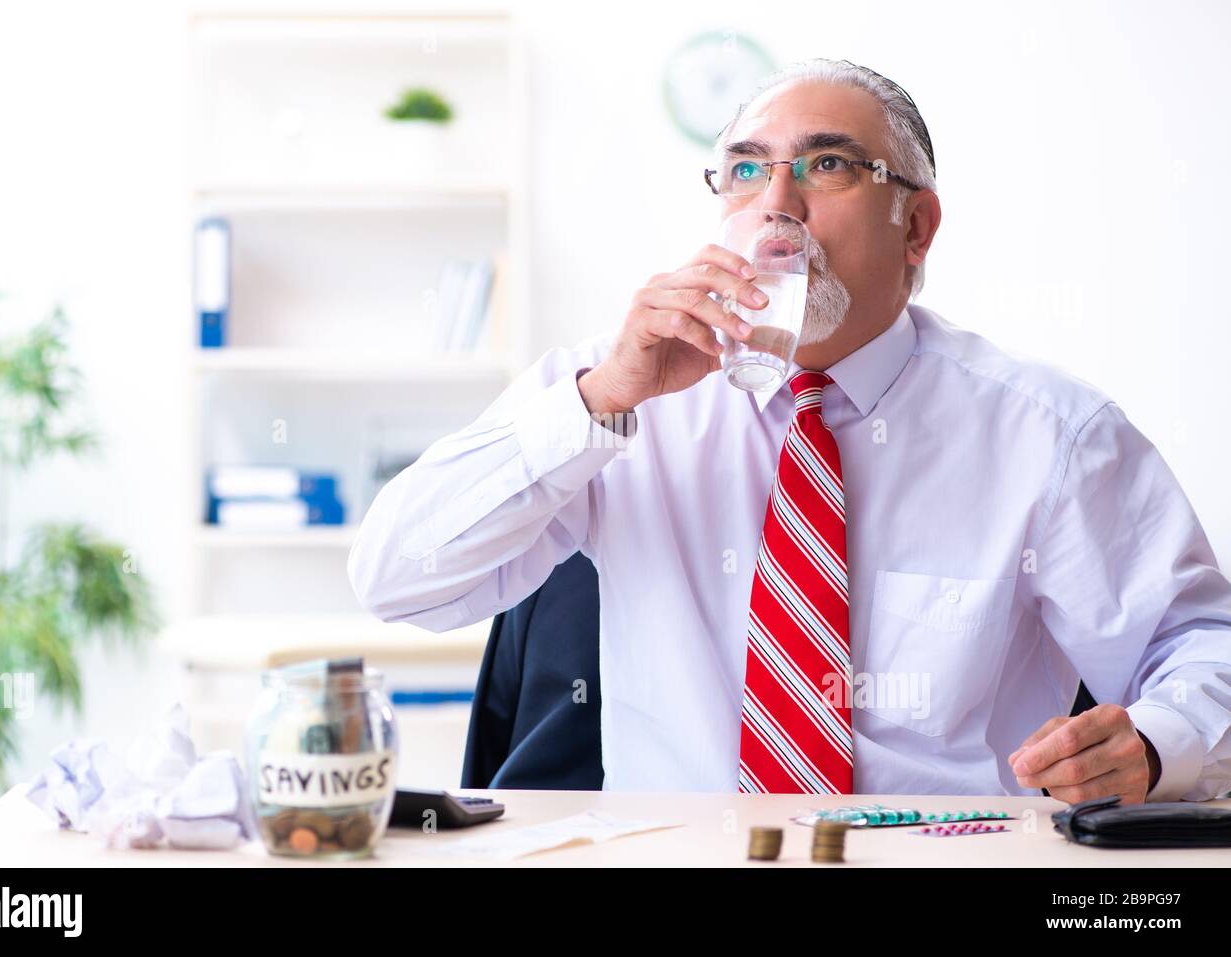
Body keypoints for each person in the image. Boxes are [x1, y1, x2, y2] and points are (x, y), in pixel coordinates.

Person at [349, 58, 1231, 803]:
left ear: (916, 226)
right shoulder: (622, 390)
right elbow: (395, 579)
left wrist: (1154, 744)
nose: (777, 206)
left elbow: (1199, 645)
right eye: (745, 170)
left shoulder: (1050, 436)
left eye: (827, 166)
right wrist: (599, 401)